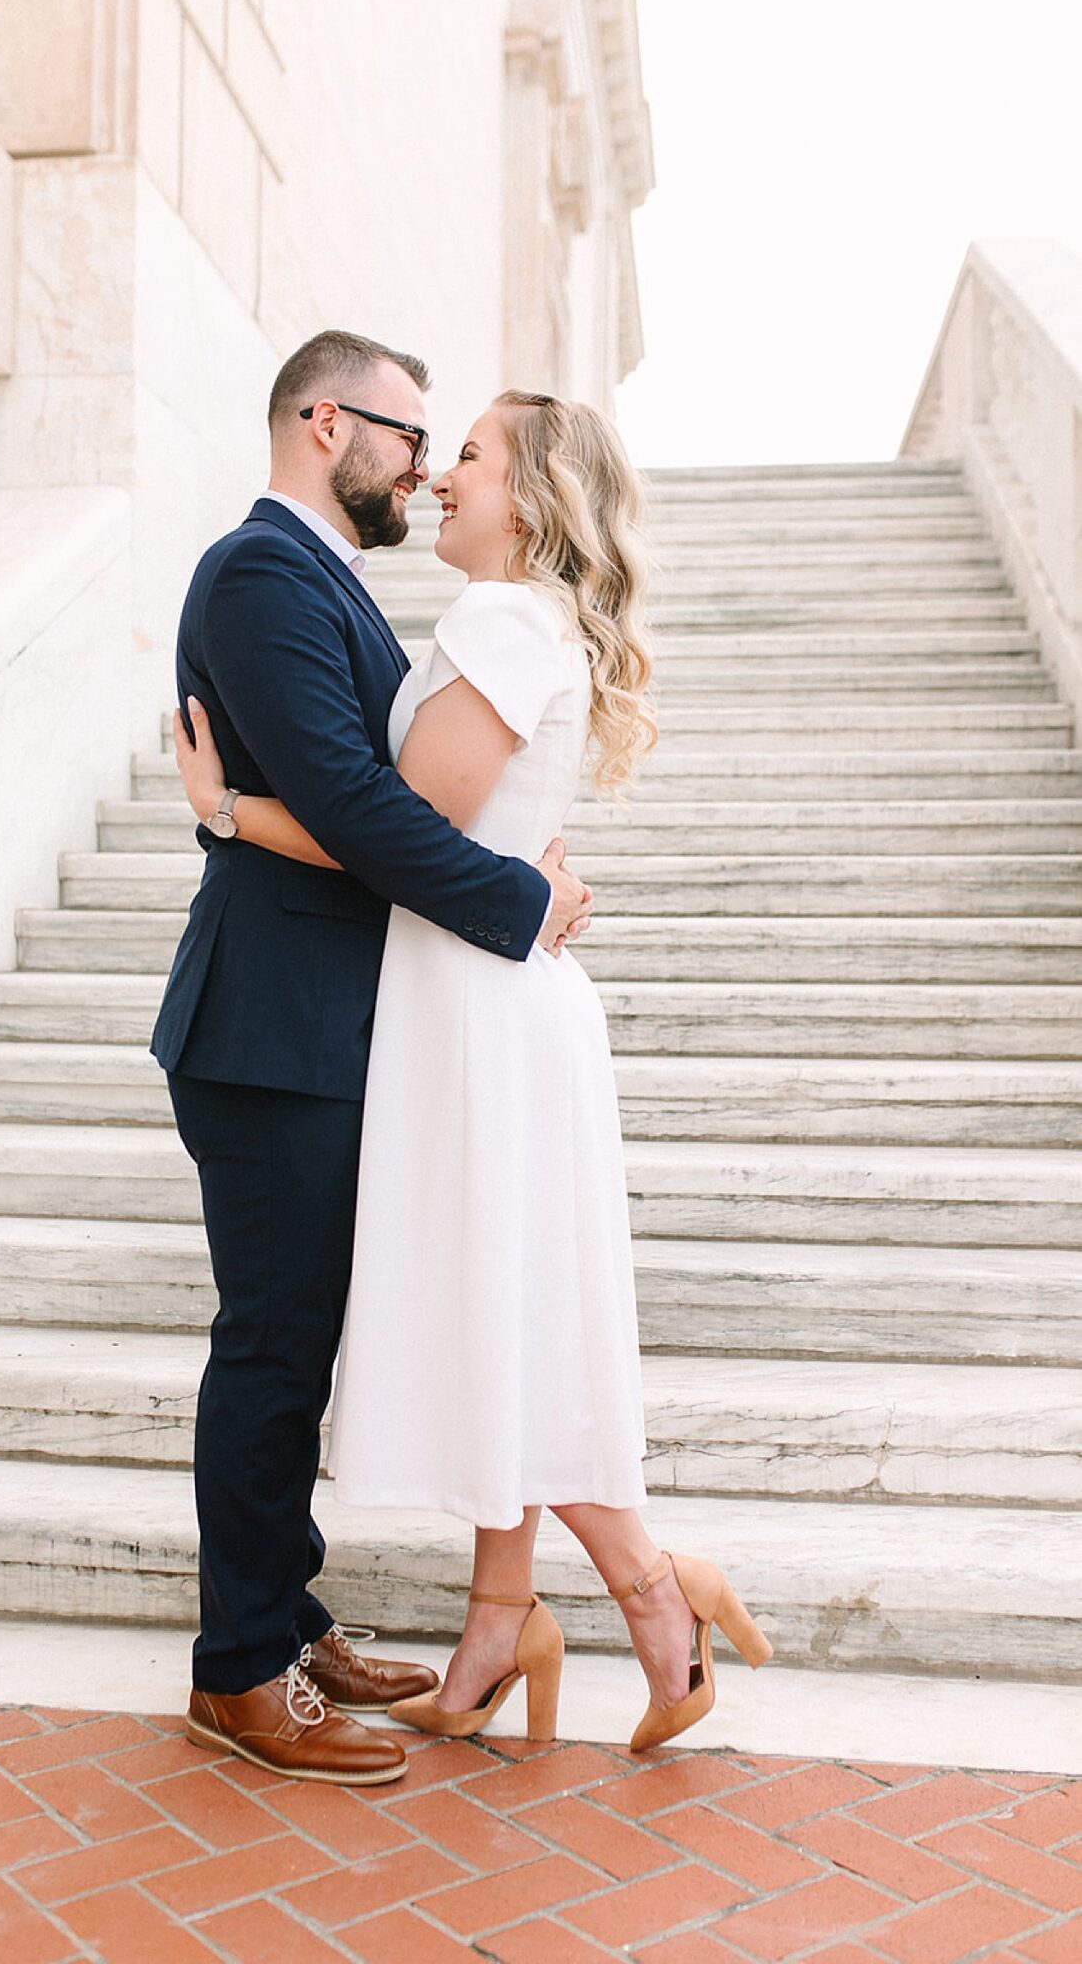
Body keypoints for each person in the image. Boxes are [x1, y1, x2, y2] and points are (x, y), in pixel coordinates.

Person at [174, 387, 774, 1755]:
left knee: (506, 1315)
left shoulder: (500, 619)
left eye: (474, 454)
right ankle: (503, 1622)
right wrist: (512, 876)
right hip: (472, 1000)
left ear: (534, 492)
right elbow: (443, 828)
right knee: (501, 1314)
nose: (446, 473)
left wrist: (222, 808)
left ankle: (646, 1590)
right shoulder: (512, 618)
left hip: (475, 1004)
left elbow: (395, 828)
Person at [148, 331, 594, 1787]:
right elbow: (352, 804)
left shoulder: (323, 574)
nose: (423, 465)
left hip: (331, 1021)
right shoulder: (263, 572)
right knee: (273, 1346)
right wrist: (518, 898)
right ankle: (237, 1675)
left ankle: (286, 1615)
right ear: (324, 420)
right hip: (271, 1026)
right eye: (411, 435)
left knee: (302, 1340)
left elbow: (381, 792)